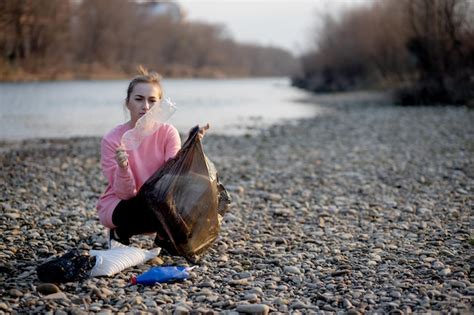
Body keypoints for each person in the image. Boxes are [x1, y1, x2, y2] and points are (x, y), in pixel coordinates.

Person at [96, 66, 209, 247]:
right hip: (123, 204)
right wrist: (123, 168)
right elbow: (125, 193)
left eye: (152, 101)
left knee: (201, 188)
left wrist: (191, 145)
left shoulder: (168, 132)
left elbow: (174, 177)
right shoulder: (113, 139)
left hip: (158, 199)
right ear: (128, 103)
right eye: (139, 99)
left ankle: (163, 238)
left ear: (160, 104)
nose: (146, 106)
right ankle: (120, 232)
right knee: (154, 206)